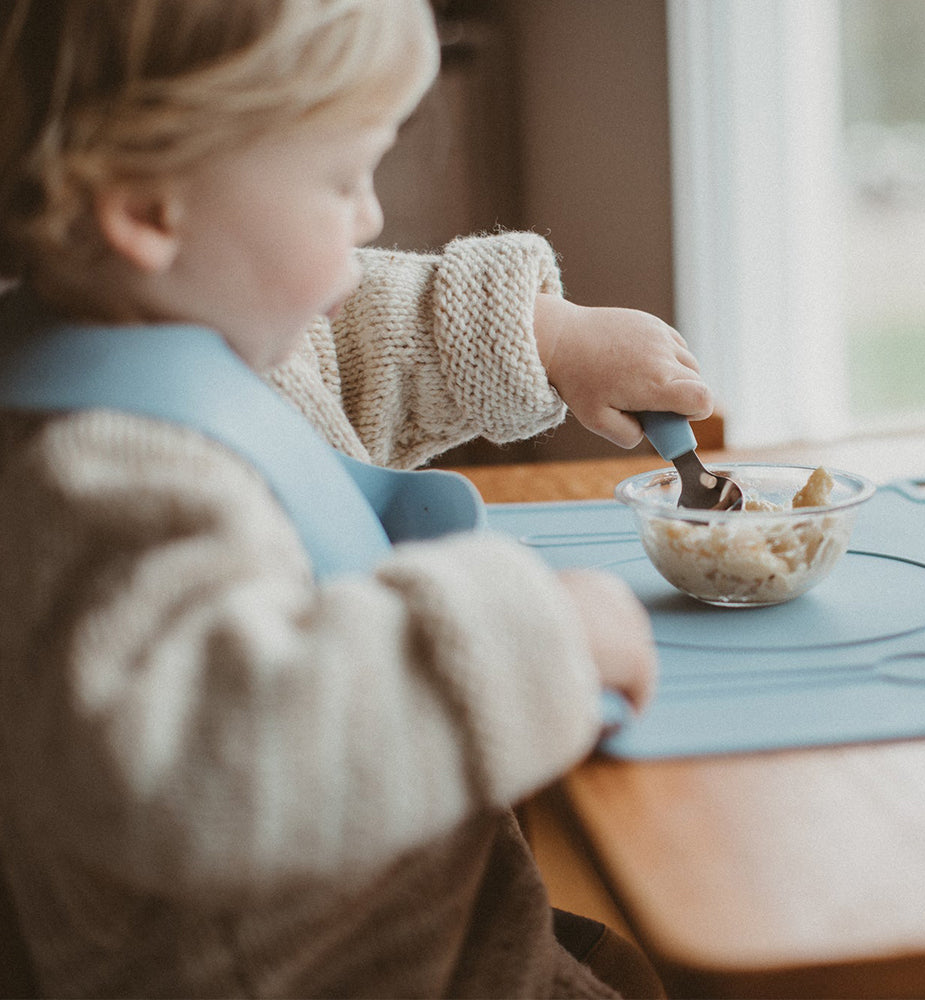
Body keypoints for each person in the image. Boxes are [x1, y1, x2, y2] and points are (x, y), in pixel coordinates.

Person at [0, 1, 711, 996]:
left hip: (437, 929)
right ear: (149, 209)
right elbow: (217, 759)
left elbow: (346, 330)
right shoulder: (102, 484)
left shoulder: (184, 315)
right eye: (340, 178)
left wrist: (547, 334)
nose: (371, 215)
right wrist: (536, 633)